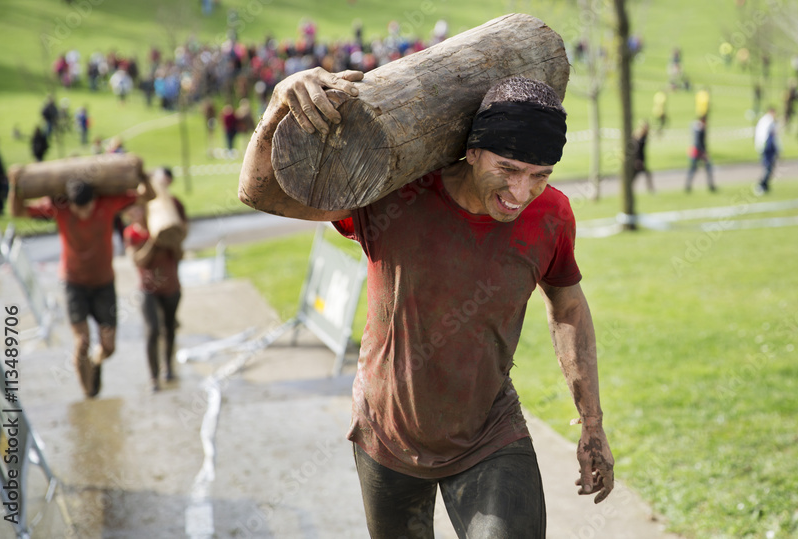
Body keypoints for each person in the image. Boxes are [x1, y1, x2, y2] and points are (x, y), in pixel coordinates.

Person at [238, 68, 615, 537]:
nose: (521, 193)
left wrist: (592, 423)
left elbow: (568, 307)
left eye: (539, 176)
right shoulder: (394, 194)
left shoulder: (550, 215)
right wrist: (278, 103)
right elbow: (258, 192)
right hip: (387, 436)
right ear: (473, 151)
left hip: (488, 432)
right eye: (509, 170)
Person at [8, 171, 153, 398]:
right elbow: (17, 211)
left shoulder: (107, 203)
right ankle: (89, 394)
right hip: (73, 282)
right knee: (82, 341)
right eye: (78, 208)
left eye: (87, 208)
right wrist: (15, 186)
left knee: (109, 346)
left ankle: (96, 362)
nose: (82, 213)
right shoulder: (61, 208)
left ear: (95, 200)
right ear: (70, 203)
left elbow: (147, 196)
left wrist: (143, 177)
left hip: (103, 282)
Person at [124, 168, 187, 392]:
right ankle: (153, 377)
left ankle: (167, 368)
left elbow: (179, 255)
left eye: (137, 210)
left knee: (169, 328)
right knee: (152, 331)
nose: (135, 214)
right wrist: (153, 242)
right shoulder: (132, 234)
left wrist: (173, 241)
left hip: (171, 286)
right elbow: (139, 261)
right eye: (131, 211)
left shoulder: (162, 226)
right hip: (147, 289)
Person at [684, 115, 715, 193]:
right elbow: (699, 143)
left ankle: (688, 186)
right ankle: (710, 186)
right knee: (703, 168)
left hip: (697, 151)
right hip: (698, 152)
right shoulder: (700, 129)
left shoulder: (697, 128)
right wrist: (704, 153)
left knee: (695, 169)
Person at [754, 107, 780, 195]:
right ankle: (762, 185)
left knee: (769, 167)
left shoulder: (767, 121)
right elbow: (767, 135)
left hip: (767, 147)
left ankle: (765, 185)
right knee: (768, 167)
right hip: (767, 148)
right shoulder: (768, 121)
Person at [631, 120, 655, 193]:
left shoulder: (641, 137)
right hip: (638, 160)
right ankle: (650, 189)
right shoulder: (641, 138)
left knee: (637, 176)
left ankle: (650, 189)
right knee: (643, 175)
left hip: (638, 159)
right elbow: (637, 150)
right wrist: (638, 160)